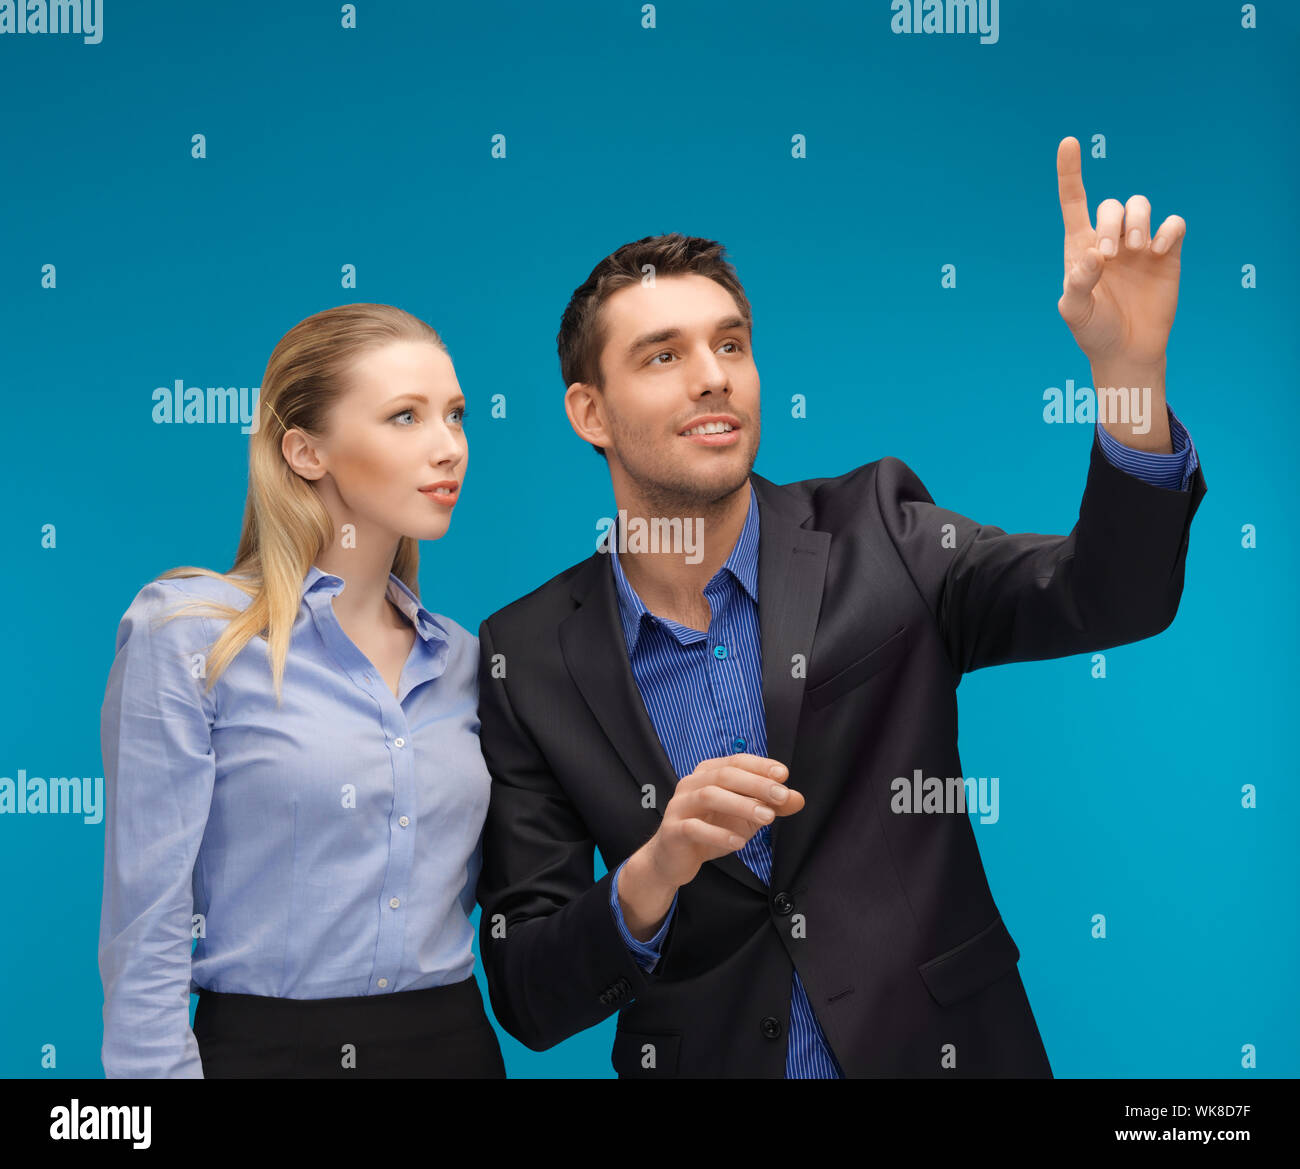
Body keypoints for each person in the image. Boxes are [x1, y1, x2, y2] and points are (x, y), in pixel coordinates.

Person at [473, 138, 1207, 1076]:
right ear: (590, 413)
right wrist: (653, 872)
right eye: (664, 355)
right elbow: (529, 994)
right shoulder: (526, 653)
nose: (714, 375)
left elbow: (1114, 597)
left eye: (730, 343)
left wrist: (1129, 377)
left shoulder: (880, 529)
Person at [98, 303, 504, 1078]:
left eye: (455, 415)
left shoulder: (466, 660)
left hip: (454, 1049)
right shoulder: (186, 635)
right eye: (404, 417)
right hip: (264, 1054)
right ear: (306, 450)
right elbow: (145, 929)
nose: (449, 447)